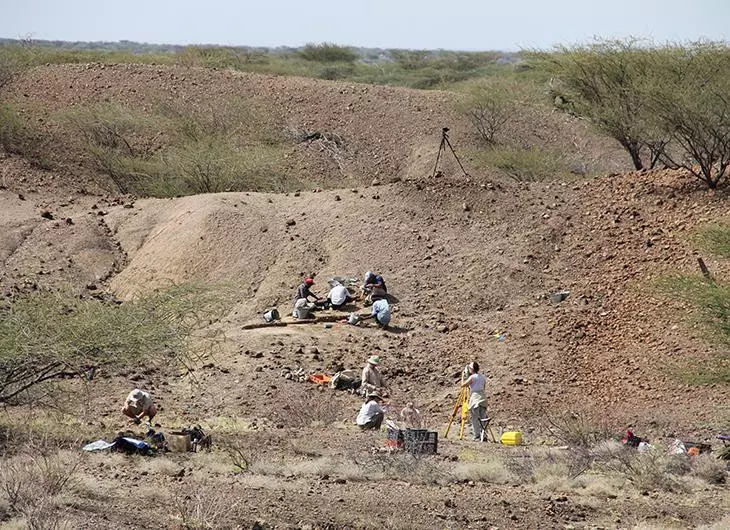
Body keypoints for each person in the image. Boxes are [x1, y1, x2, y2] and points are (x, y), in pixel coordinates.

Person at [461, 362, 487, 441]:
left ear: (472, 369)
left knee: (475, 418)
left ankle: (477, 437)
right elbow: (483, 387)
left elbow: (463, 384)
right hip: (483, 398)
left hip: (475, 398)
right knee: (483, 418)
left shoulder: (472, 377)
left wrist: (463, 377)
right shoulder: (482, 377)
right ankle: (484, 436)